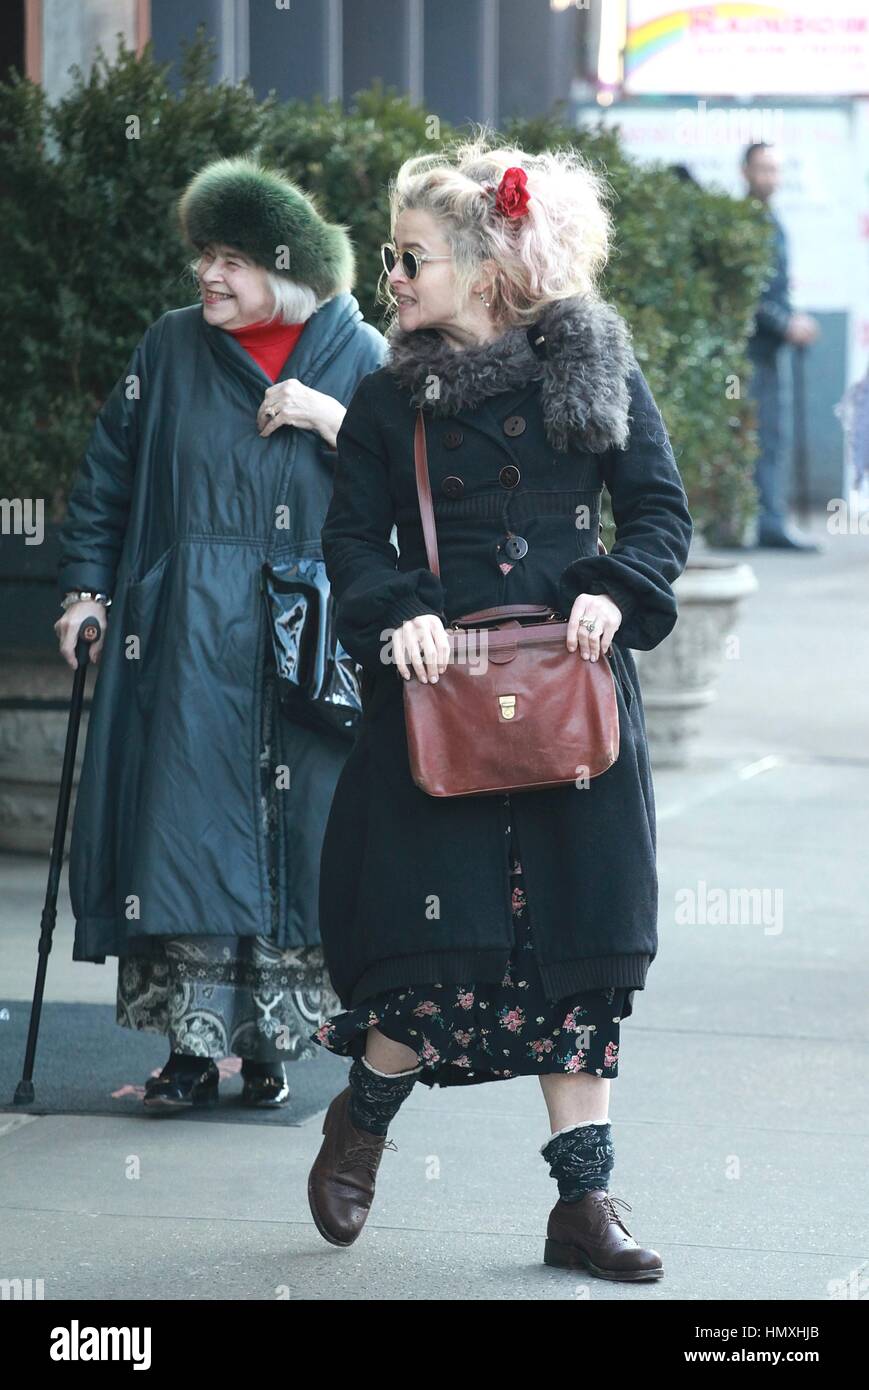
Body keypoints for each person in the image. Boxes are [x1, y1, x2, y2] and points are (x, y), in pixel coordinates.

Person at [305, 138, 693, 1280]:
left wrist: (618, 596)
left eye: (408, 256)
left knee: (578, 950)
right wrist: (394, 612)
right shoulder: (386, 399)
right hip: (438, 701)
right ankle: (362, 1125)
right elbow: (347, 541)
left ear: (482, 269)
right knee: (430, 955)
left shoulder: (596, 371)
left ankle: (584, 1203)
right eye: (388, 257)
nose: (390, 276)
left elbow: (659, 518)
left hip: (571, 704)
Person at [54, 158, 386, 1110]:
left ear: (285, 272)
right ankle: (189, 1050)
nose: (210, 275)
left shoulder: (358, 357)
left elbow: (412, 496)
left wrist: (336, 425)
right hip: (185, 631)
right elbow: (106, 477)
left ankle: (274, 1047)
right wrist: (84, 591)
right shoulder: (166, 348)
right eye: (204, 254)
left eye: (233, 259)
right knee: (186, 829)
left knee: (293, 837)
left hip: (306, 639)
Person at [741, 141, 821, 551]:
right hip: (750, 352)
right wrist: (784, 323)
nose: (770, 177)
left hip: (770, 352)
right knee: (756, 435)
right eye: (762, 169)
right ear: (745, 172)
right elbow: (748, 291)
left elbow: (773, 288)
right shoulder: (745, 223)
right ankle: (758, 523)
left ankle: (768, 520)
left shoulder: (770, 220)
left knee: (770, 436)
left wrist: (792, 319)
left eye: (775, 169)